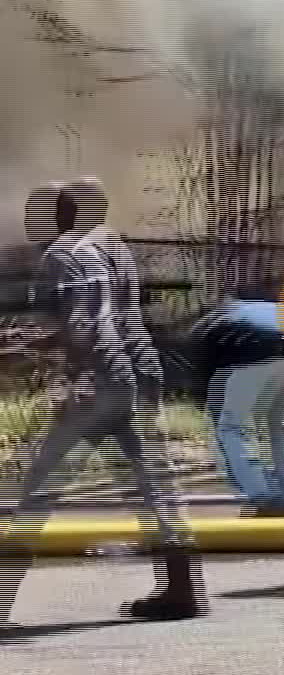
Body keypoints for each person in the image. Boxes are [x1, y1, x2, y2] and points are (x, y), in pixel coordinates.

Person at [0, 178, 207, 626]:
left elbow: (87, 319)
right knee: (156, 486)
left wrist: (74, 377)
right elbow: (122, 316)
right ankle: (181, 591)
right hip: (137, 377)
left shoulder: (64, 252)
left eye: (47, 210)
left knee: (38, 490)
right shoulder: (112, 246)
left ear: (65, 213)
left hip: (99, 382)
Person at [193, 277, 284, 516]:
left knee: (230, 428)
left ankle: (261, 497)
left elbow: (203, 365)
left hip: (251, 360)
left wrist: (202, 398)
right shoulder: (273, 309)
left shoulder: (217, 318)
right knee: (279, 425)